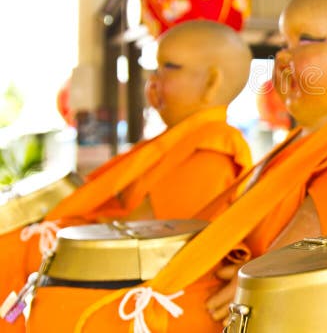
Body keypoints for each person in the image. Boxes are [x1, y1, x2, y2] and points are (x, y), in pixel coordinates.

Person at [46, 0, 327, 333]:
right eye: (284, 44)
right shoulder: (298, 143)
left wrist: (258, 279)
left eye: (306, 41)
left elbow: (296, 268)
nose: (283, 58)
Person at [8, 20, 252, 331]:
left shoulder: (211, 151)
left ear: (212, 83)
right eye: (155, 69)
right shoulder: (177, 141)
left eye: (169, 68)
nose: (154, 80)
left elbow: (147, 238)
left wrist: (46, 239)